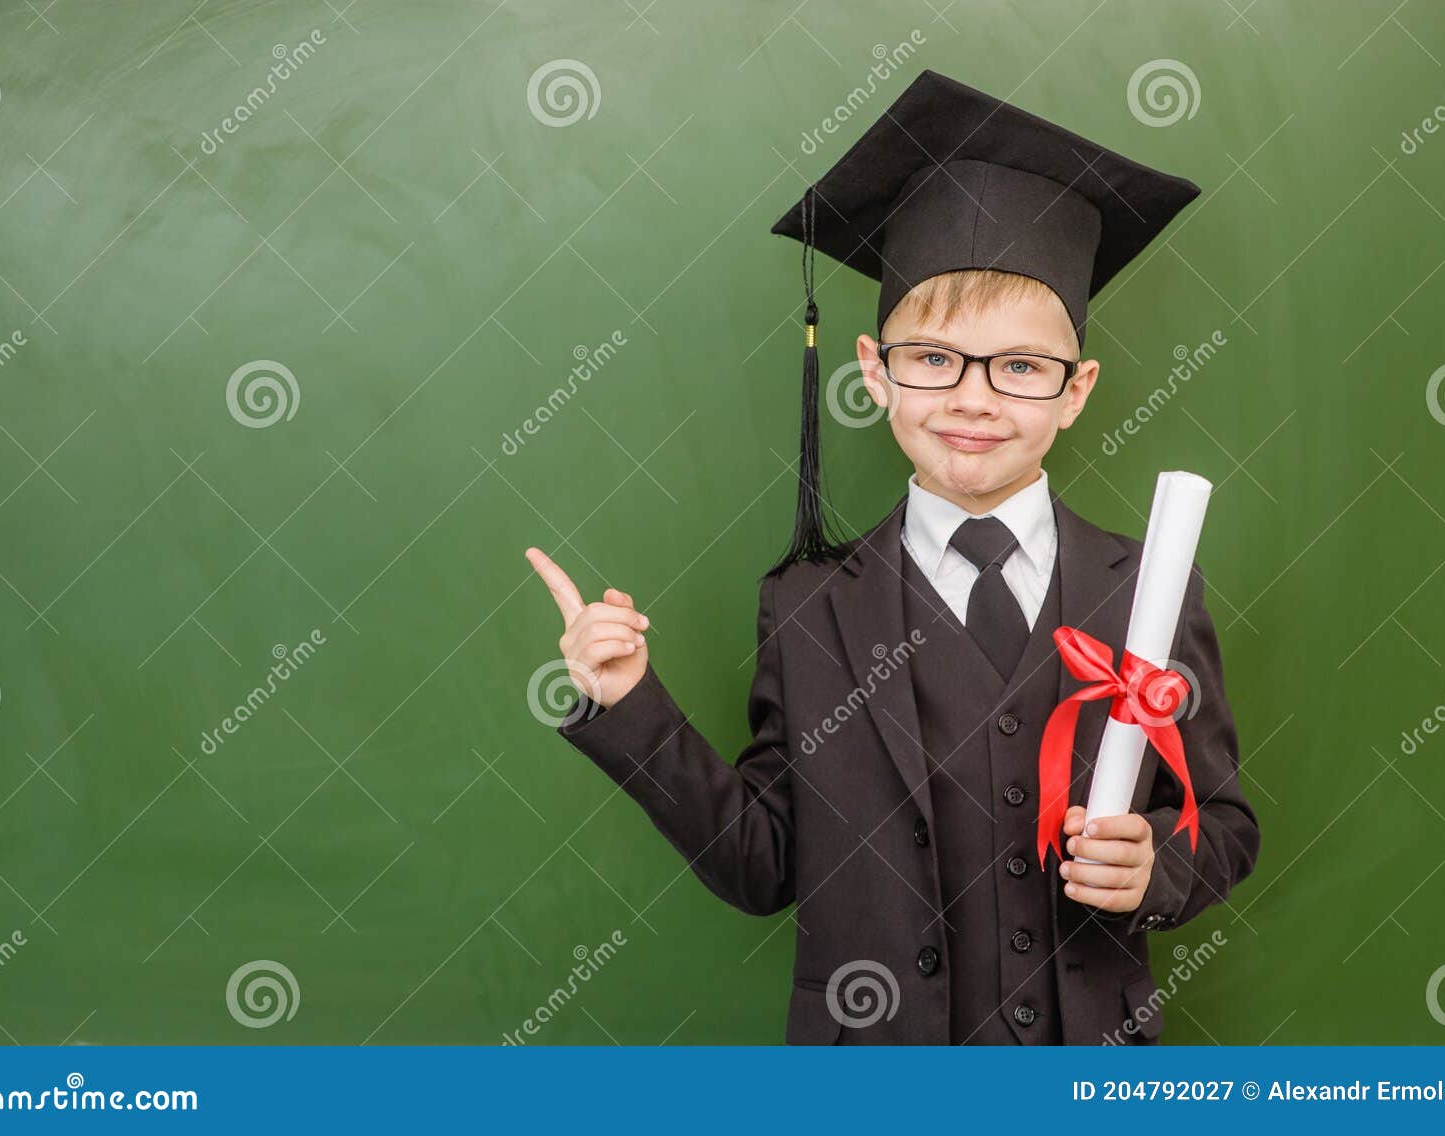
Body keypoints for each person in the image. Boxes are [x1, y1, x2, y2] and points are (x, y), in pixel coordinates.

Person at [525, 69, 1259, 1045]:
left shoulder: (1149, 591)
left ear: (1075, 389)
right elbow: (760, 862)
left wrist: (1156, 869)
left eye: (1022, 368)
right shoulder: (808, 606)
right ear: (875, 372)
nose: (972, 398)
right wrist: (630, 704)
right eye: (932, 358)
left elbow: (1223, 821)